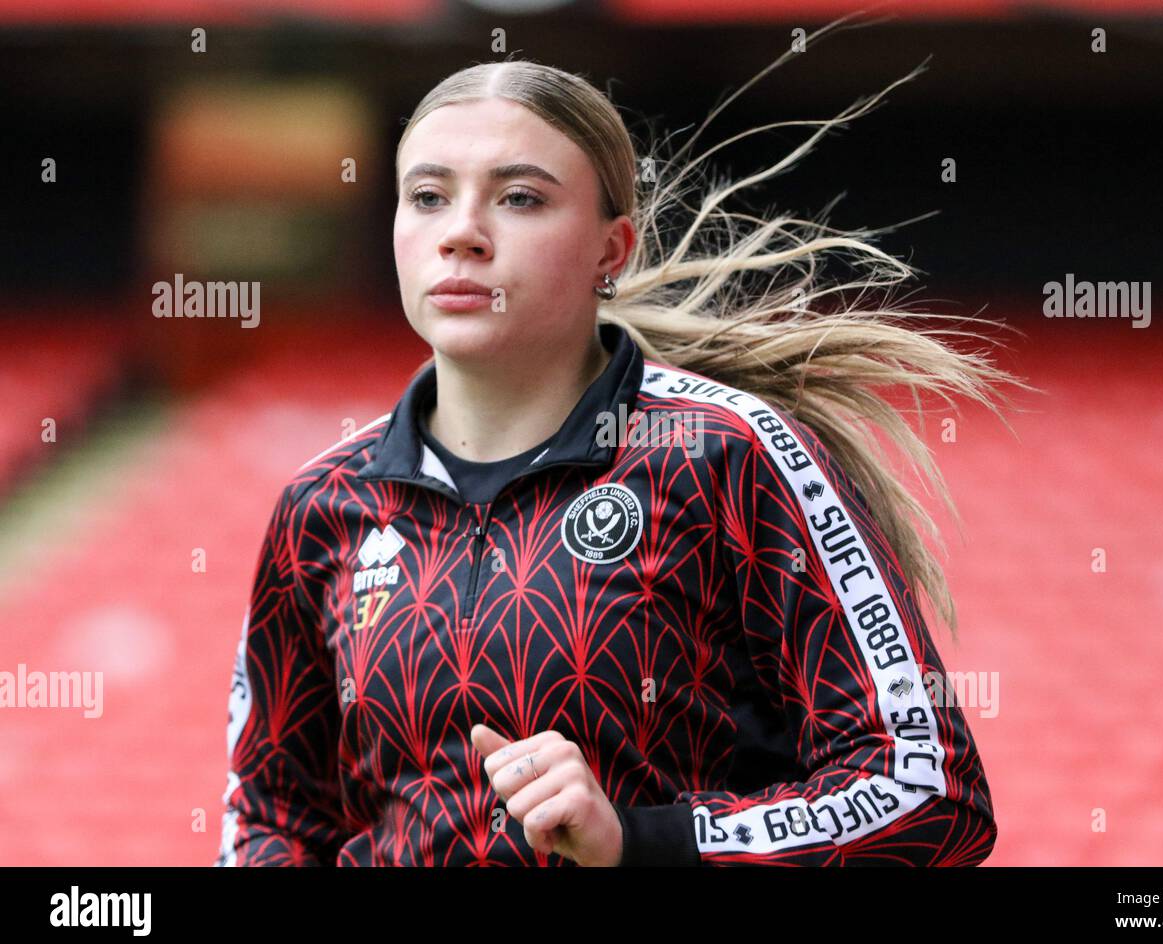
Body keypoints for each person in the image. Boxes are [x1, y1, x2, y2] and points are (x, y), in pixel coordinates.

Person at [216, 35, 1026, 867]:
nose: (460, 233)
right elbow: (270, 821)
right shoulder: (320, 507)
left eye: (520, 199)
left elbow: (928, 790)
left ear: (612, 250)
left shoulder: (730, 454)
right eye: (426, 196)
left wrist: (642, 839)